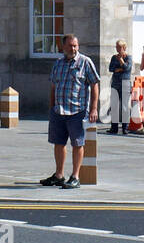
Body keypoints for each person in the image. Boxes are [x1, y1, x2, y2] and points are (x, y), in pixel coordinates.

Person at [41, 34, 100, 189]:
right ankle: (59, 175)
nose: (73, 48)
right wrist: (52, 108)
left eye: (75, 45)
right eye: (70, 46)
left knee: (77, 144)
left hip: (77, 111)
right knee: (58, 143)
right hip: (59, 110)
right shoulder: (58, 64)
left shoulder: (85, 62)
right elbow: (53, 86)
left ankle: (75, 176)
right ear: (63, 47)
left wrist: (94, 108)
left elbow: (94, 84)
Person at [107, 39, 131, 134]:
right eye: (116, 47)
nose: (117, 49)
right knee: (114, 106)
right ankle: (114, 127)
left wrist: (121, 61)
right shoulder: (114, 57)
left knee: (125, 106)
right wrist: (119, 69)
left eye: (119, 47)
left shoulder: (128, 57)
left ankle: (125, 127)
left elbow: (127, 68)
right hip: (115, 83)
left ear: (124, 48)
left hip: (125, 83)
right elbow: (111, 68)